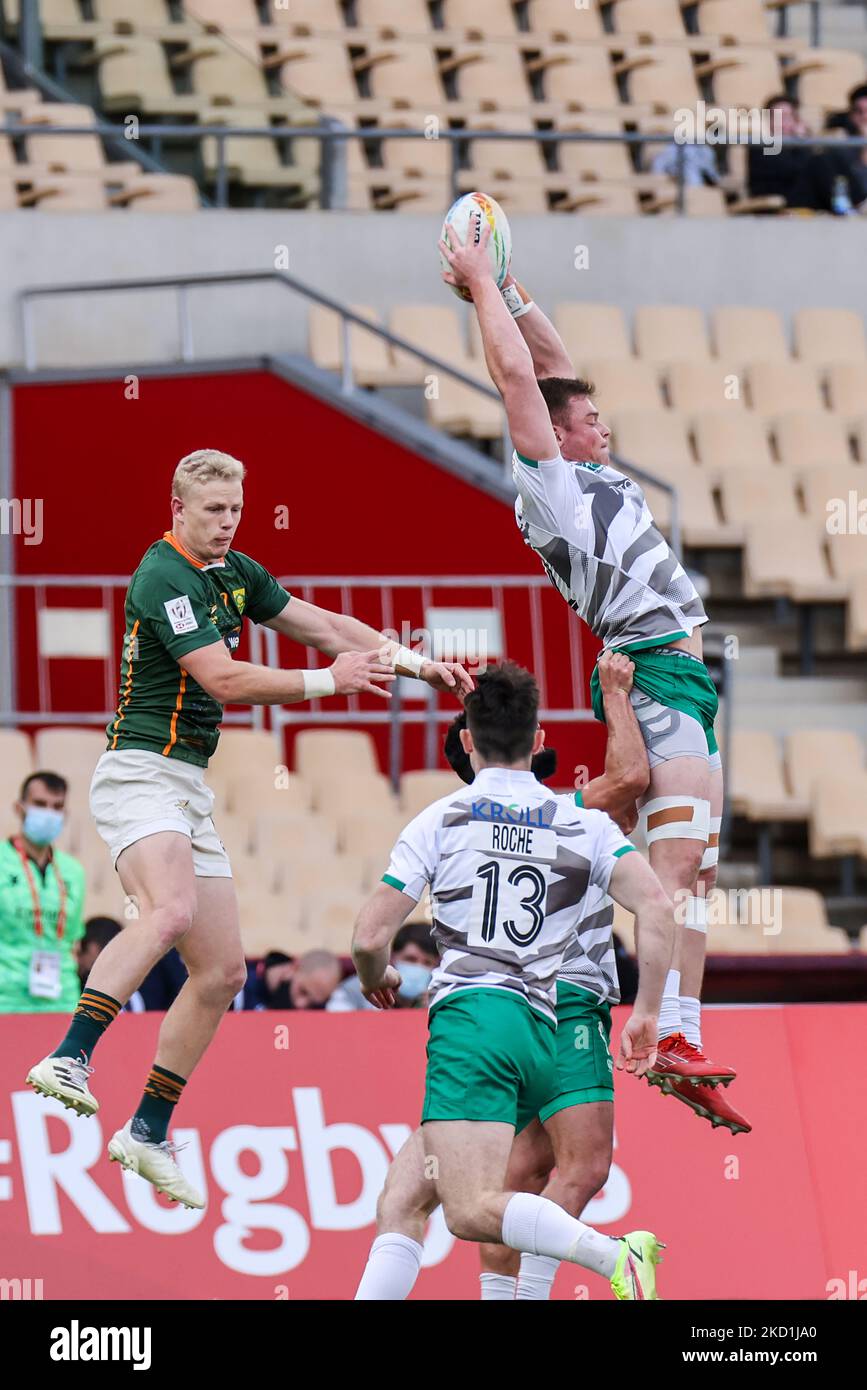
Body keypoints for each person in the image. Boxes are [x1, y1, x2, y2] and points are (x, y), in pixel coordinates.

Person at [26, 447, 472, 1209]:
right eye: (212, 511)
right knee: (169, 911)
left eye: (235, 509)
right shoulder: (162, 575)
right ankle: (70, 1055)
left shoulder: (237, 572)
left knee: (224, 972)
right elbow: (222, 679)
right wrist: (325, 685)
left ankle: (147, 1129)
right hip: (137, 770)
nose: (227, 523)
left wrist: (411, 664)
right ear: (178, 508)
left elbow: (325, 626)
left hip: (184, 786)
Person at [438, 215, 750, 1135]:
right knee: (676, 862)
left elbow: (552, 362)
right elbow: (517, 379)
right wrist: (480, 289)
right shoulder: (553, 487)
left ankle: (679, 1034)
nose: (601, 422)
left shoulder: (590, 467)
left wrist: (511, 281)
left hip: (683, 680)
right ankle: (654, 1027)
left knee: (692, 872)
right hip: (650, 671)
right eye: (587, 420)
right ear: (560, 437)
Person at [352, 661, 676, 1301]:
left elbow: (367, 937)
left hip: (473, 1022)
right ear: (538, 740)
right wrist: (648, 1011)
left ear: (467, 742)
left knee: (469, 1212)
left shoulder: (442, 819)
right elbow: (661, 909)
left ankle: (616, 1255)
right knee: (403, 1197)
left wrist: (380, 973)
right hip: (540, 1027)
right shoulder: (581, 822)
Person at [0, 773, 85, 1015]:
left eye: (57, 806)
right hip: (6, 1001)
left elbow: (73, 940)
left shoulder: (73, 871)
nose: (48, 813)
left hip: (63, 1000)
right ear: (20, 808)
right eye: (40, 804)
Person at [327, 923, 437, 1012]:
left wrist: (430, 1013)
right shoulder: (354, 990)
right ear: (393, 957)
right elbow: (334, 1028)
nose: (418, 968)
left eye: (427, 963)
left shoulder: (437, 999)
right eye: (410, 959)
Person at [243, 949, 342, 1010]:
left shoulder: (322, 1010)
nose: (300, 1005)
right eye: (303, 991)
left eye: (312, 1004)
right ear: (294, 967)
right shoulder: (241, 984)